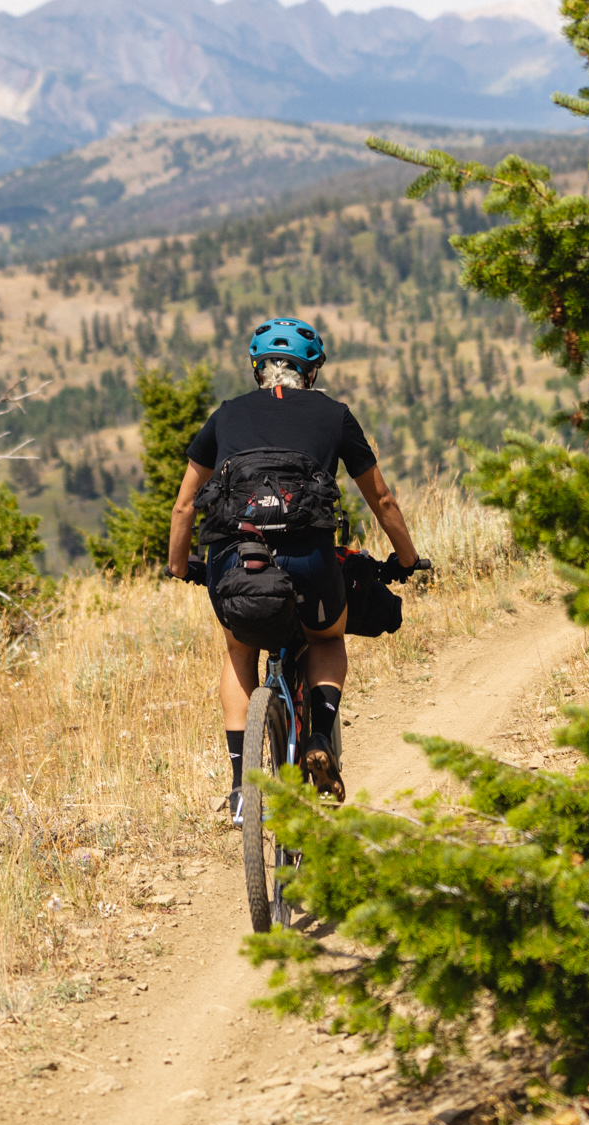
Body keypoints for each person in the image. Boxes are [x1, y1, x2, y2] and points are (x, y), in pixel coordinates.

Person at [167, 315, 419, 817]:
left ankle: (241, 790)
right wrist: (407, 559)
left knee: (239, 652)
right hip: (309, 559)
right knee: (326, 638)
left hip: (235, 559)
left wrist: (179, 566)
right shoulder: (334, 414)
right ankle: (320, 735)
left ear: (258, 369)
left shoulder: (226, 415)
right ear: (312, 371)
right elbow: (383, 500)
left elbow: (183, 507)